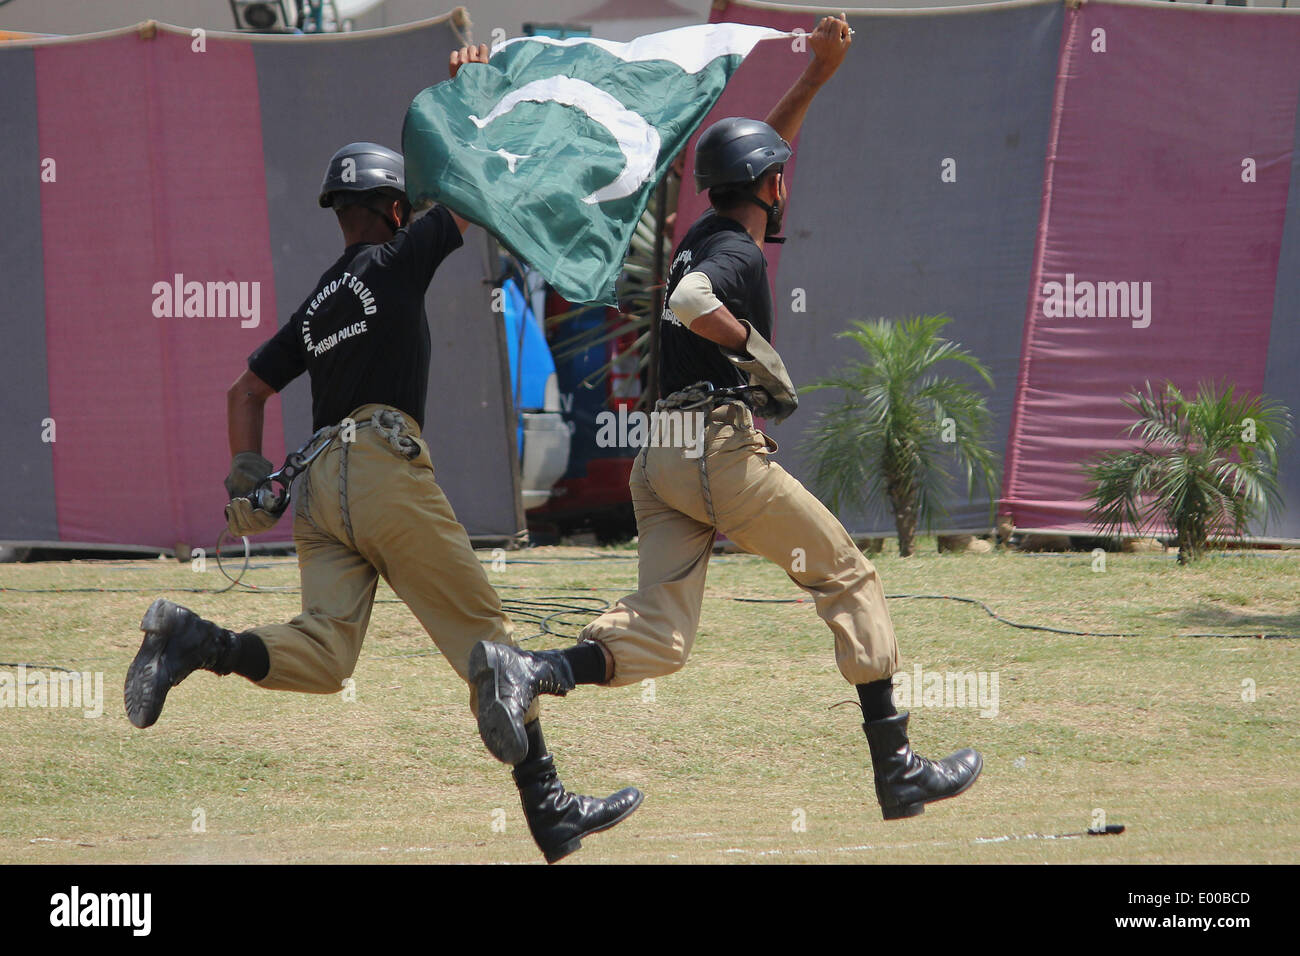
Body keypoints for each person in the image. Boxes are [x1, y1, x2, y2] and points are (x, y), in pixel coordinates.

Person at [123, 46, 642, 864]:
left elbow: (244, 394)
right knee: (488, 637)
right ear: (396, 208)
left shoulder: (323, 294)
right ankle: (550, 807)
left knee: (326, 654)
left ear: (341, 210)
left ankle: (196, 642)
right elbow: (469, 189)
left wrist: (248, 477)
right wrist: (475, 82)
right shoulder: (398, 258)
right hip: (381, 468)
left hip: (321, 491)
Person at [470, 16, 983, 823]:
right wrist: (753, 348)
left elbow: (759, 153)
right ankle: (900, 771)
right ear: (773, 189)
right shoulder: (734, 256)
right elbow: (690, 300)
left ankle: (530, 673)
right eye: (782, 177)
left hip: (660, 454)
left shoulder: (706, 229)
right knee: (846, 575)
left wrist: (815, 77)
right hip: (714, 451)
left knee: (663, 637)